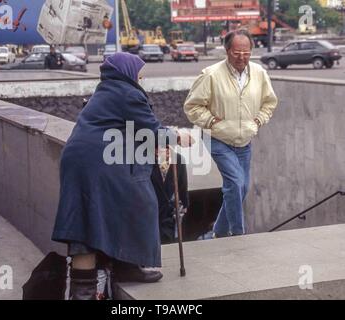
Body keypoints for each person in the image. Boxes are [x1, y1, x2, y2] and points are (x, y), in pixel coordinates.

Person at [51, 52, 190, 300]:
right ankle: (118, 271)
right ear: (127, 71)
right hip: (97, 163)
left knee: (86, 222)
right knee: (141, 203)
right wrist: (179, 137)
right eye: (139, 71)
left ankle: (98, 282)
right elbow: (151, 131)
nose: (142, 76)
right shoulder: (128, 93)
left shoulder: (107, 89)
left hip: (83, 160)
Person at [184, 29, 278, 238]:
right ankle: (238, 234)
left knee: (241, 188)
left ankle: (218, 231)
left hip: (245, 140)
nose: (242, 57)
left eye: (246, 53)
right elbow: (192, 107)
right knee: (234, 183)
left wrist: (258, 121)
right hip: (217, 138)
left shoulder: (260, 73)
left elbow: (269, 103)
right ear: (227, 51)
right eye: (237, 53)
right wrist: (210, 121)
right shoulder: (210, 74)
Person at [151, 147, 189, 244]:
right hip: (150, 207)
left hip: (168, 211)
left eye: (167, 147)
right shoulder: (145, 161)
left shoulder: (178, 160)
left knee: (166, 237)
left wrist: (185, 203)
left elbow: (182, 184)